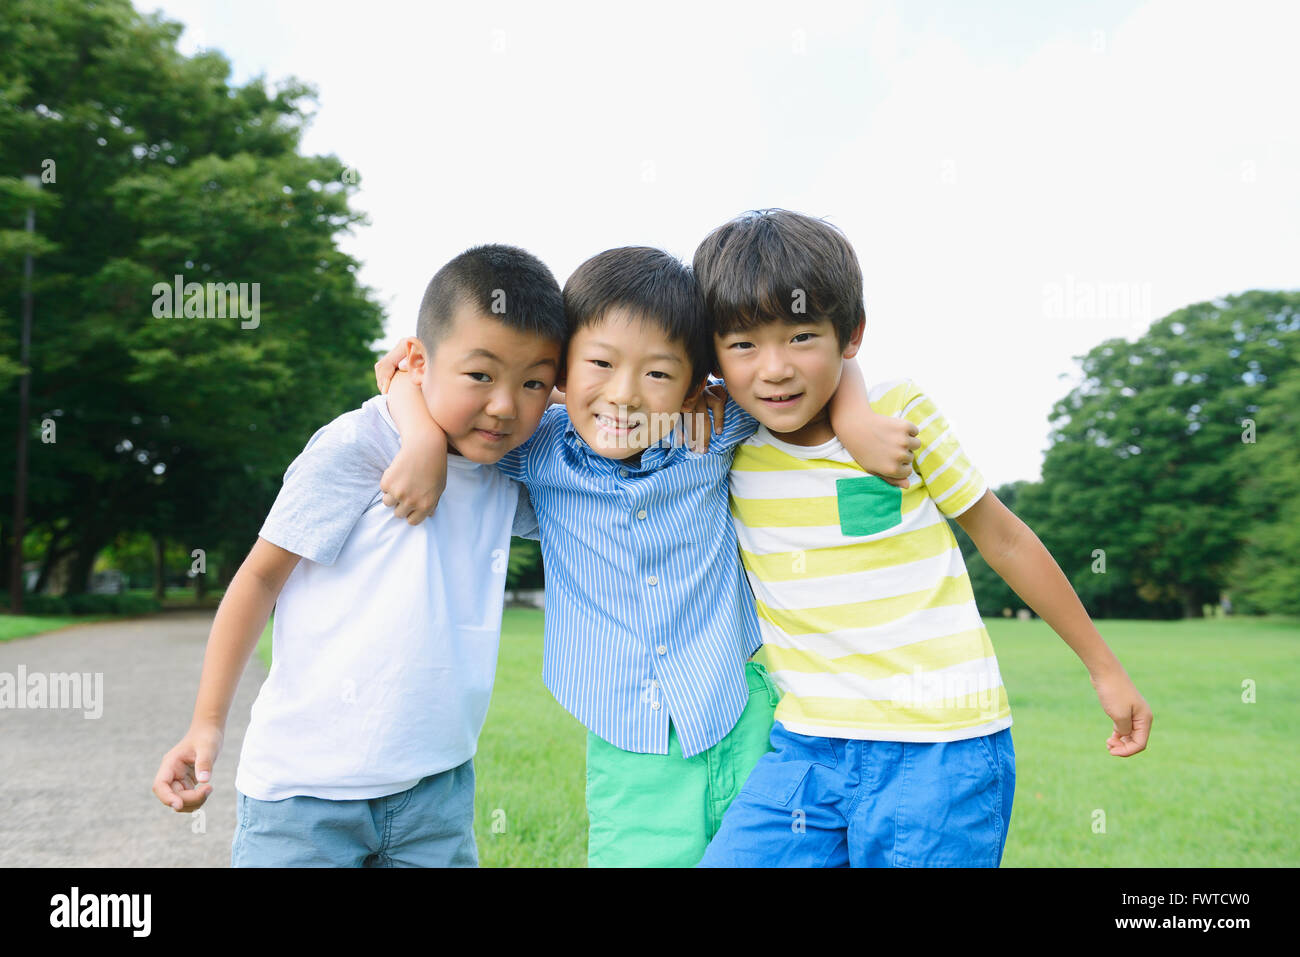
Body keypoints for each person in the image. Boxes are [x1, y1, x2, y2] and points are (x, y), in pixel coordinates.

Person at [375, 245, 918, 866]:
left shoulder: (706, 433)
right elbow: (408, 375)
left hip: (741, 710)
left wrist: (856, 424)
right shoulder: (540, 450)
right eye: (600, 363)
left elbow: (810, 370)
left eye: (659, 374)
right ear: (560, 369)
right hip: (627, 734)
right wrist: (418, 431)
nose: (626, 394)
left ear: (695, 382)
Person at [693, 208, 1154, 867]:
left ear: (849, 335)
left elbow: (1005, 539)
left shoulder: (899, 413)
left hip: (942, 748)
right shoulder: (727, 440)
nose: (773, 368)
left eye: (801, 336)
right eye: (742, 344)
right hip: (805, 747)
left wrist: (1105, 667)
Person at [150, 244, 566, 867]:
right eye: (480, 375)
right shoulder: (357, 446)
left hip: (437, 791)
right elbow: (259, 580)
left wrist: (427, 424)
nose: (505, 405)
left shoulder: (516, 467)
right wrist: (207, 723)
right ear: (418, 361)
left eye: (533, 382)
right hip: (304, 798)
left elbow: (601, 416)